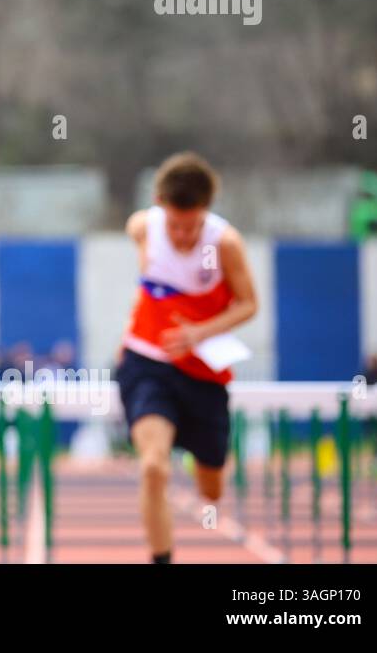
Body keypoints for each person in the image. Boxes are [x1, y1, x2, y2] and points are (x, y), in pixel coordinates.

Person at [116, 152, 258, 563]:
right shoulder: (143, 227)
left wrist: (199, 332)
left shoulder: (225, 244)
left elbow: (249, 304)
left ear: (206, 212)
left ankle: (196, 447)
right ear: (161, 207)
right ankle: (162, 557)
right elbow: (147, 283)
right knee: (153, 468)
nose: (181, 236)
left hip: (204, 373)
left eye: (191, 226)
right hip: (147, 363)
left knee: (211, 490)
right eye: (175, 225)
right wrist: (135, 314)